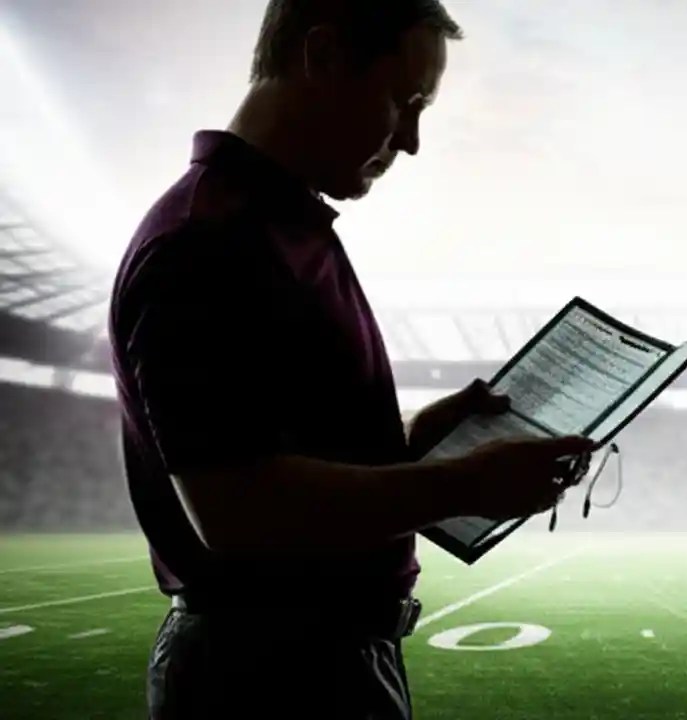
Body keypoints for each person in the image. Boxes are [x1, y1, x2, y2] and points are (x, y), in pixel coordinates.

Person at [106, 2, 593, 718]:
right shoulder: (208, 242)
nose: (414, 139)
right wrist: (461, 484)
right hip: (270, 674)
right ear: (324, 55)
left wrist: (413, 441)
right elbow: (239, 510)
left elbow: (278, 444)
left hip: (302, 658)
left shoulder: (270, 223)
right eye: (406, 100)